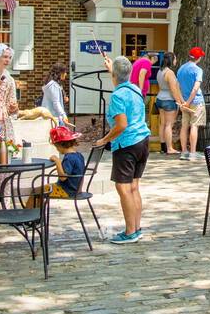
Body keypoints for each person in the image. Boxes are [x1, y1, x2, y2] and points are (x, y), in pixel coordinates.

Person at [95, 54, 151, 243]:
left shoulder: (118, 95)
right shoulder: (134, 89)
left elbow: (121, 125)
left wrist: (105, 140)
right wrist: (113, 68)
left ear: (114, 76)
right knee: (134, 187)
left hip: (127, 144)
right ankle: (136, 228)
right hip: (143, 141)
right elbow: (120, 79)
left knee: (123, 187)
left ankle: (129, 232)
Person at [176, 46, 206, 159]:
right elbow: (195, 88)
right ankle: (193, 153)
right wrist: (188, 102)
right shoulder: (198, 70)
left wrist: (182, 101)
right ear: (198, 58)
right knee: (194, 125)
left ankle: (184, 152)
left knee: (184, 126)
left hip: (183, 101)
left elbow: (177, 86)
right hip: (196, 101)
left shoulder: (181, 69)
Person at [46, 124, 87, 198]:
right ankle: (37, 209)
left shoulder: (69, 158)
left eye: (56, 147)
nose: (57, 149)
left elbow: (63, 177)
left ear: (60, 145)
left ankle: (31, 209)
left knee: (37, 191)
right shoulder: (79, 155)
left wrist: (57, 161)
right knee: (44, 189)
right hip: (77, 190)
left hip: (67, 191)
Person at [154, 52, 183, 156]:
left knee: (162, 123)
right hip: (169, 100)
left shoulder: (160, 71)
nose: (176, 61)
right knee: (169, 125)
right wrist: (179, 102)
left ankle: (163, 147)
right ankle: (170, 148)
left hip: (160, 98)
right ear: (171, 60)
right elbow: (173, 89)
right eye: (175, 59)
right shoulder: (170, 73)